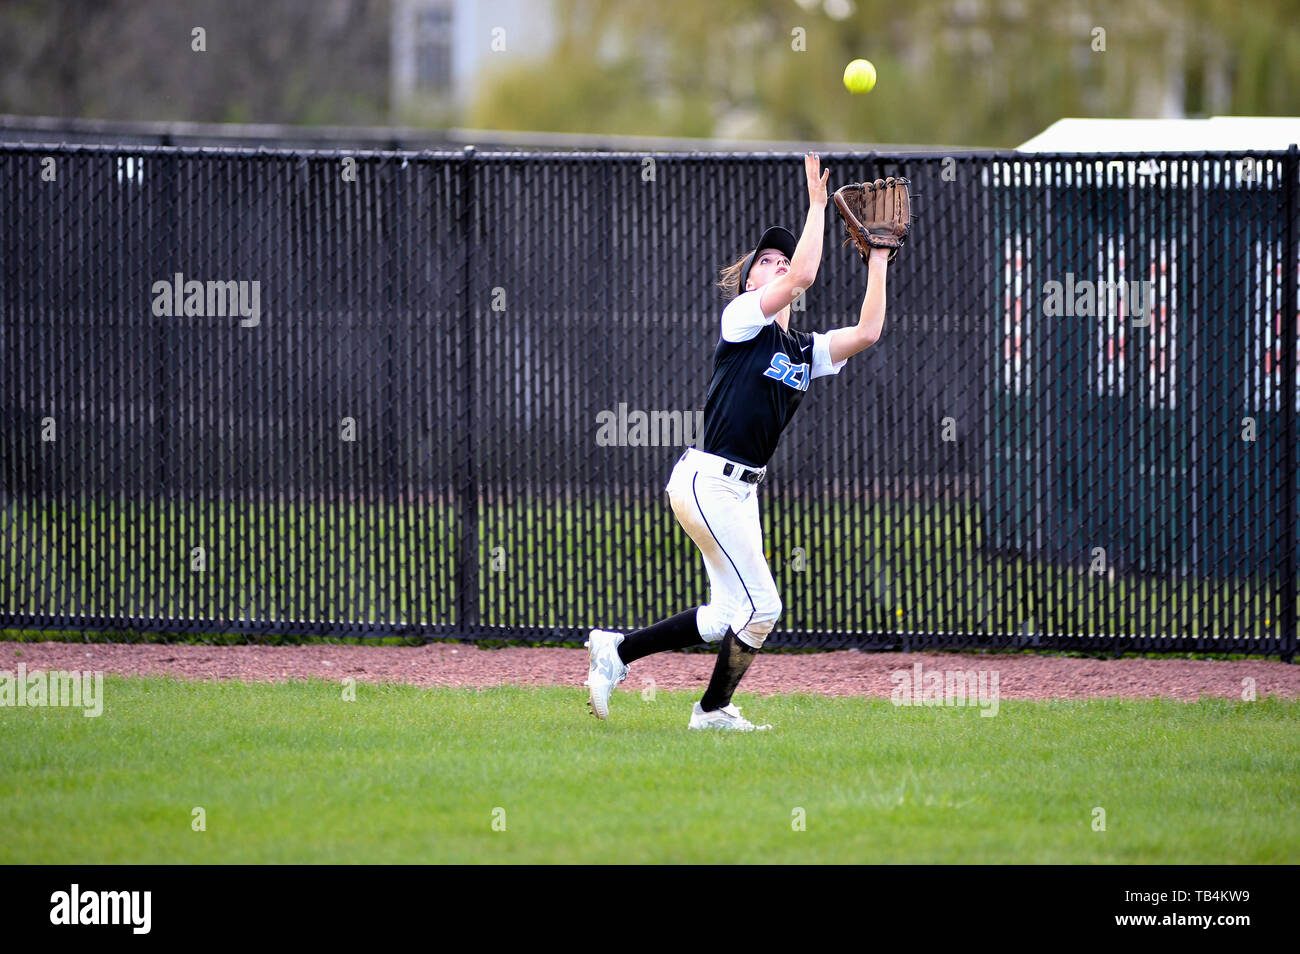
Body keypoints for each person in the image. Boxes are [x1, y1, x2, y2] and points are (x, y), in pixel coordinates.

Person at [586, 152, 890, 730]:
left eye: (782, 257)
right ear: (751, 280)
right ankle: (712, 710)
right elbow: (804, 275)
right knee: (765, 607)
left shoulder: (803, 349)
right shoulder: (741, 319)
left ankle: (616, 651)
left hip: (742, 492)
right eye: (766, 261)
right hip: (706, 481)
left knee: (726, 613)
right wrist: (819, 206)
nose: (779, 265)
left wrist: (877, 258)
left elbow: (869, 331)